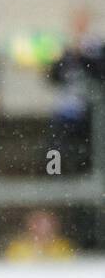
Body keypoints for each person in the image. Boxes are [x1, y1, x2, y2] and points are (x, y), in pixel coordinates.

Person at [46, 9, 105, 176]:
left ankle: (88, 176)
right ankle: (54, 174)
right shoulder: (66, 49)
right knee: (55, 148)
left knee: (88, 150)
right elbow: (54, 78)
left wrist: (83, 56)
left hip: (89, 111)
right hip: (66, 111)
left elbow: (99, 72)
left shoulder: (96, 47)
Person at [5, 209, 77, 261]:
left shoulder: (63, 247)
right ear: (28, 226)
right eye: (37, 223)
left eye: (45, 224)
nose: (41, 228)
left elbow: (69, 268)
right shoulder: (18, 248)